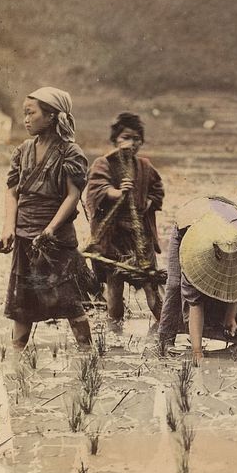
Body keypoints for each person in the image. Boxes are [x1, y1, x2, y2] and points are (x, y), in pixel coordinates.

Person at [0, 86, 92, 351]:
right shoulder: (23, 151)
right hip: (25, 237)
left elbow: (73, 195)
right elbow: (12, 191)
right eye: (24, 114)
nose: (25, 119)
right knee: (22, 308)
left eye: (31, 113)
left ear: (51, 116)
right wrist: (9, 227)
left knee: (71, 303)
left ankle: (87, 357)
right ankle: (16, 366)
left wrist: (50, 230)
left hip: (55, 241)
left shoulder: (70, 153)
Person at [83, 112, 165, 330]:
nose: (132, 143)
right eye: (126, 137)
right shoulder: (104, 163)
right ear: (115, 140)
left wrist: (148, 202)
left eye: (137, 138)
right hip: (114, 237)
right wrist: (116, 193)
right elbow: (96, 189)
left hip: (140, 237)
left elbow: (157, 189)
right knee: (115, 290)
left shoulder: (145, 166)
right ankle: (115, 334)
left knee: (152, 286)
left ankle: (166, 330)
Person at [158, 197, 237, 365]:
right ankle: (165, 340)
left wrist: (230, 317)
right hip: (191, 219)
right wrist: (197, 352)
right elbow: (195, 304)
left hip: (226, 214)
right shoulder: (196, 255)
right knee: (174, 284)